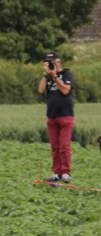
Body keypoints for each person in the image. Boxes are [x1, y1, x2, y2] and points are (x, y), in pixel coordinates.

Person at [38, 51, 75, 183]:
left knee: (64, 146)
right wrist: (46, 74)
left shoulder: (67, 74)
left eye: (52, 62)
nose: (50, 64)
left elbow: (66, 90)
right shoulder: (47, 77)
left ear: (58, 62)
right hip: (52, 115)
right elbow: (41, 90)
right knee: (55, 146)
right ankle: (57, 172)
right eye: (48, 62)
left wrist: (55, 77)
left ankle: (66, 173)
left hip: (66, 115)